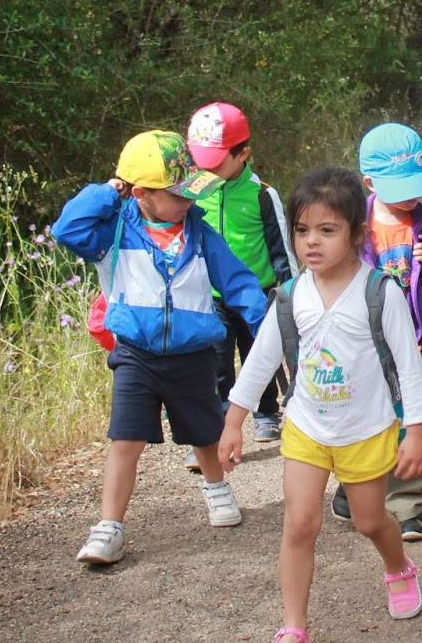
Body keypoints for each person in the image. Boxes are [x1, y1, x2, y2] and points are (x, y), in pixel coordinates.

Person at [218, 167, 422, 642]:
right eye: (302, 230)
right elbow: (259, 363)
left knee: (370, 521)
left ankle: (398, 567)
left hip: (366, 430)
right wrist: (233, 423)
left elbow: (408, 368)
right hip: (306, 428)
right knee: (298, 524)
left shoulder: (381, 293)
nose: (311, 241)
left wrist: (415, 432)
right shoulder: (291, 298)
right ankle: (294, 626)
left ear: (358, 234)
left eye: (327, 230)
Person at [52, 130, 267, 565]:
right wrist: (112, 189)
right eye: (178, 193)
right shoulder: (112, 233)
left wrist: (268, 329)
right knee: (124, 439)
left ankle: (216, 487)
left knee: (205, 432)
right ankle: (109, 526)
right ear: (141, 194)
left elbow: (240, 283)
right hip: (135, 354)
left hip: (193, 356)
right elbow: (67, 228)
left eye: (191, 191)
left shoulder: (201, 234)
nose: (189, 200)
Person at [327, 122, 422, 541]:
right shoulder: (353, 225)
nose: (413, 195)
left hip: (419, 342)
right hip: (365, 345)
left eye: (418, 184)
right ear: (370, 182)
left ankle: (408, 503)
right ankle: (353, 487)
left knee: (417, 419)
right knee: (366, 419)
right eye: (401, 185)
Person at [187, 101, 296, 453]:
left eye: (215, 160)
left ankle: (266, 413)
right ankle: (216, 427)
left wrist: (293, 293)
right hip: (209, 295)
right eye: (200, 158)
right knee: (216, 362)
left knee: (258, 356)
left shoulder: (262, 194)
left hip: (257, 294)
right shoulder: (192, 190)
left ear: (243, 153)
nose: (206, 167)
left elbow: (281, 247)